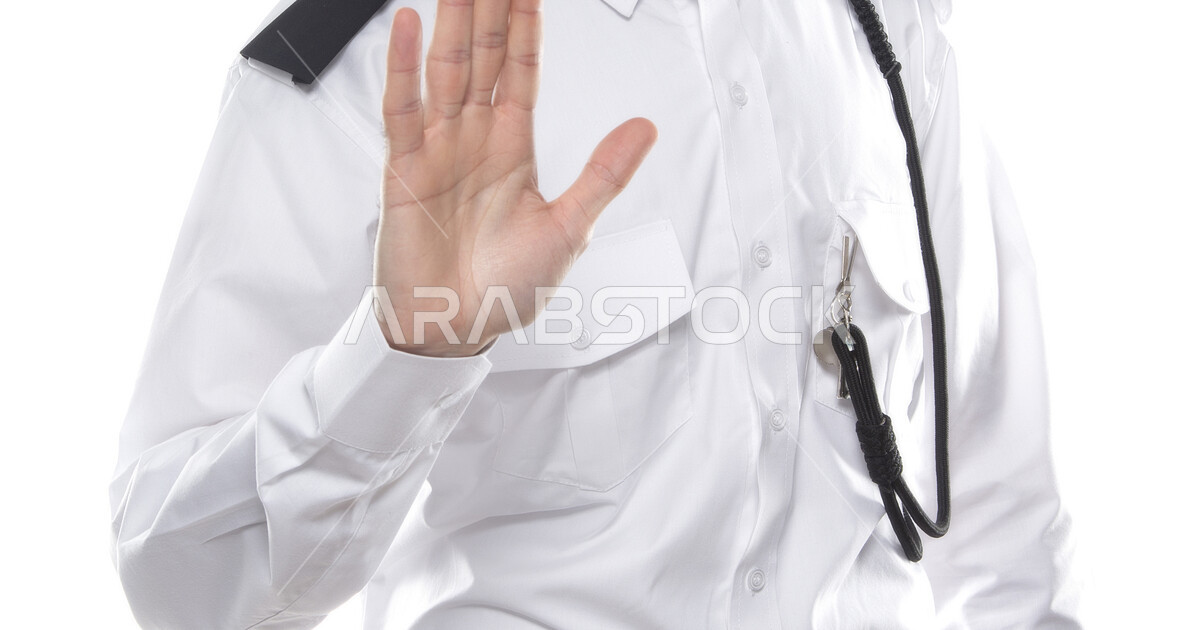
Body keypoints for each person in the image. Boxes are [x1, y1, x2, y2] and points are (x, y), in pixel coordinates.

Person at [110, 0, 1080, 627]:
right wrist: (406, 352)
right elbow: (183, 593)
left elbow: (1002, 500)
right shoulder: (388, 56)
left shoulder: (885, 35)